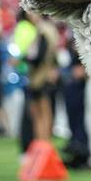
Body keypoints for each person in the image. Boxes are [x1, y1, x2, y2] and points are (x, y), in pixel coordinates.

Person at [23, 10, 60, 145]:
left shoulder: (44, 30)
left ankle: (43, 143)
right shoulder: (48, 29)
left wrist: (25, 57)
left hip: (41, 77)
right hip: (43, 76)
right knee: (42, 112)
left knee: (42, 113)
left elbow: (38, 56)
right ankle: (42, 143)